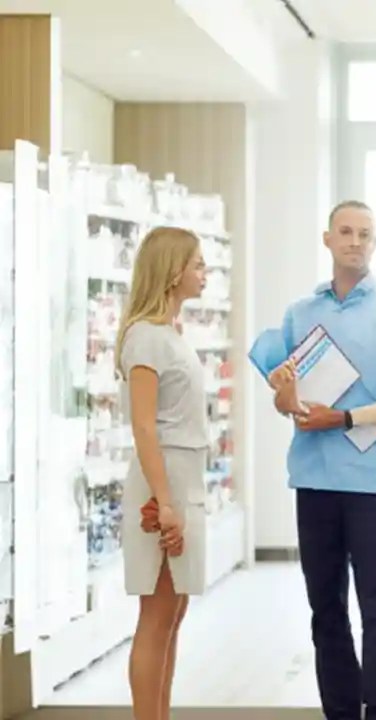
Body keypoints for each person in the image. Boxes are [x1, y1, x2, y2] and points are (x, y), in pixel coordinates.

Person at [268, 200, 376, 720]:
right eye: (346, 232)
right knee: (325, 612)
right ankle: (339, 712)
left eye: (365, 234)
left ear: (374, 244)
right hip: (314, 480)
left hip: (375, 485)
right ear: (328, 239)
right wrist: (286, 398)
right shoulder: (300, 313)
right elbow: (284, 399)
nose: (355, 241)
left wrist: (343, 419)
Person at [118, 227, 209, 720]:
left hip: (183, 479)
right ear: (173, 271)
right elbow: (144, 426)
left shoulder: (171, 333)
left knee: (174, 612)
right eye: (197, 264)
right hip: (163, 483)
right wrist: (165, 501)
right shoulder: (146, 338)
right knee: (156, 616)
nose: (204, 273)